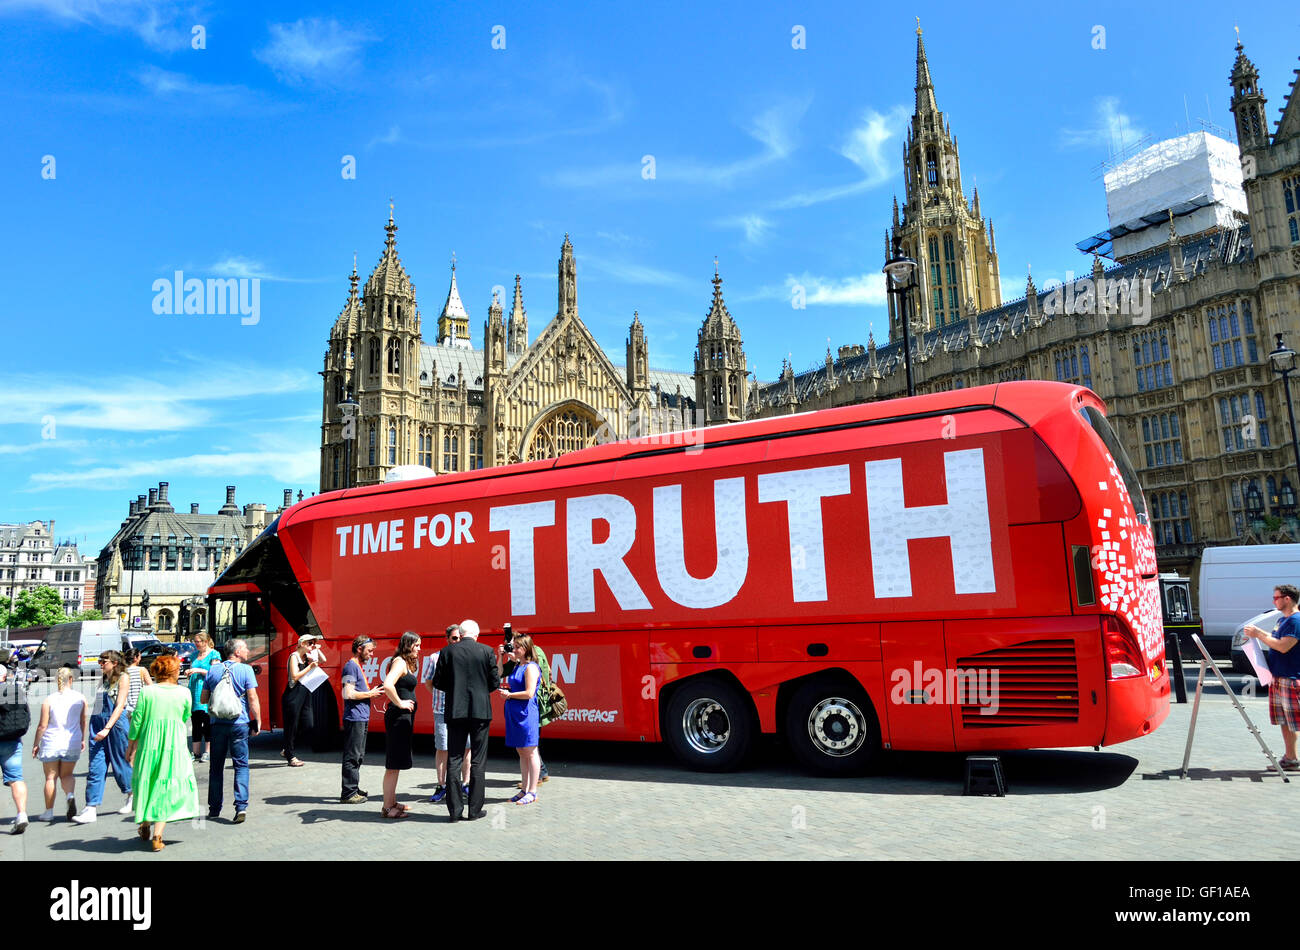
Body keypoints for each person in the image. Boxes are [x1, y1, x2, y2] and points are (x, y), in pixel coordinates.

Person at [127, 654, 200, 851]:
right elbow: (185, 716)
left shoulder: (147, 692)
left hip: (149, 743)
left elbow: (137, 721)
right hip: (174, 744)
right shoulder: (184, 693)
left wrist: (131, 746)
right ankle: (158, 835)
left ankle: (144, 823)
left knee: (147, 781)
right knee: (167, 785)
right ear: (174, 671)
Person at [432, 618, 498, 822]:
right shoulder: (487, 651)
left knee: (454, 758)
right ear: (477, 634)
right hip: (480, 711)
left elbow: (438, 682)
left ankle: (454, 811)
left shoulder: (447, 652)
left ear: (460, 634)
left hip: (455, 711)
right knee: (478, 760)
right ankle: (475, 809)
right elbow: (494, 682)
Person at [201, 638, 261, 823]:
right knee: (241, 765)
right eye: (244, 648)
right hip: (239, 723)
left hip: (217, 724)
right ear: (236, 652)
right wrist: (257, 720)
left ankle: (214, 808)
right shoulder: (246, 670)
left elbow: (204, 699)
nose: (247, 651)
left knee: (216, 767)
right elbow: (252, 698)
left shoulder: (213, 670)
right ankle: (241, 807)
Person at [1245, 582, 1300, 770]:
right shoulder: (1283, 620)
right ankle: (1291, 758)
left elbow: (1283, 646)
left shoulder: (1295, 621)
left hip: (1290, 678)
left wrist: (1258, 633)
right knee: (1285, 721)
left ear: (1287, 599)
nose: (1273, 601)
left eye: (1276, 597)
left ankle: (1292, 758)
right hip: (1278, 677)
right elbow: (1275, 638)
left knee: (1294, 721)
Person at [73, 650, 133, 823]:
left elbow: (120, 705)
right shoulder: (103, 679)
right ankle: (91, 807)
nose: (100, 663)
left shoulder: (123, 678)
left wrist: (107, 728)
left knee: (121, 763)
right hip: (98, 722)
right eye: (99, 661)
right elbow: (98, 706)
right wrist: (93, 727)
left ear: (114, 662)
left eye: (103, 661)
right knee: (96, 766)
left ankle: (131, 794)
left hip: (115, 724)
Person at [32, 667, 87, 821]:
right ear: (71, 679)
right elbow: (83, 721)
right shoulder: (80, 698)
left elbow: (42, 726)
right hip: (72, 741)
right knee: (67, 775)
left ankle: (48, 812)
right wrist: (82, 738)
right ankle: (70, 795)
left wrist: (36, 744)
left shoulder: (49, 699)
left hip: (51, 742)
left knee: (51, 777)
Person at [426, 624, 471, 805]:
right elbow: (428, 682)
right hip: (442, 710)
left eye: (460, 638)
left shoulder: (468, 657)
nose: (457, 641)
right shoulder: (435, 658)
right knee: (443, 748)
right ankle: (442, 785)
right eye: (454, 638)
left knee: (467, 747)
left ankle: (465, 784)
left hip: (464, 710)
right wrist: (440, 697)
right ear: (447, 639)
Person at [497, 634, 541, 805]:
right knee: (521, 752)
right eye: (513, 646)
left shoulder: (530, 667)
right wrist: (500, 656)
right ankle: (525, 789)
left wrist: (509, 695)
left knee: (530, 751)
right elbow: (499, 673)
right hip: (514, 712)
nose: (513, 649)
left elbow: (529, 693)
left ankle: (532, 791)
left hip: (526, 713)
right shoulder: (517, 665)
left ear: (526, 648)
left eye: (517, 647)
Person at [380, 632, 420, 819]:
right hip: (397, 718)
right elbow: (388, 685)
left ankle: (392, 802)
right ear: (408, 645)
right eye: (417, 645)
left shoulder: (405, 663)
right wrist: (400, 703)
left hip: (403, 720)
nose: (419, 649)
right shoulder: (399, 662)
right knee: (393, 764)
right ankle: (388, 808)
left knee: (396, 763)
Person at [340, 635, 383, 804]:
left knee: (358, 755)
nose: (371, 654)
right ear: (359, 649)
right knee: (352, 755)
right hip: (354, 717)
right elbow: (348, 693)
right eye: (369, 651)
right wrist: (370, 693)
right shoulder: (351, 666)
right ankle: (348, 792)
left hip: (361, 716)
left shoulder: (356, 666)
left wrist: (371, 692)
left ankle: (353, 787)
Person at [281, 632, 326, 767]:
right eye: (310, 643)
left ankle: (287, 748)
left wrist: (317, 649)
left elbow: (323, 660)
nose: (312, 645)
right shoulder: (294, 657)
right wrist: (309, 667)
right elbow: (294, 676)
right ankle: (290, 755)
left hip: (305, 694)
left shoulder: (307, 656)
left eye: (313, 643)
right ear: (302, 644)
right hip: (293, 695)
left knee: (308, 724)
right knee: (291, 726)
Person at [0, 651, 31, 834]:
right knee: (16, 778)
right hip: (12, 740)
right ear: (5, 676)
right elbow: (25, 714)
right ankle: (21, 814)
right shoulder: (16, 691)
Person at [187, 633, 219, 763]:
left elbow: (215, 672)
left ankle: (208, 751)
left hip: (206, 690)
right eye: (195, 642)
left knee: (207, 722)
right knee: (195, 721)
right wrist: (189, 672)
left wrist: (197, 670)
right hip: (194, 690)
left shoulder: (214, 654)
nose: (196, 644)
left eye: (198, 641)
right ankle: (195, 752)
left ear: (206, 642)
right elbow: (192, 668)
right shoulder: (194, 655)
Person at [122, 648, 154, 725]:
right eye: (139, 656)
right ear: (135, 658)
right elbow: (151, 687)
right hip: (139, 707)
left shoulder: (123, 671)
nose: (140, 659)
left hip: (125, 707)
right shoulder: (142, 670)